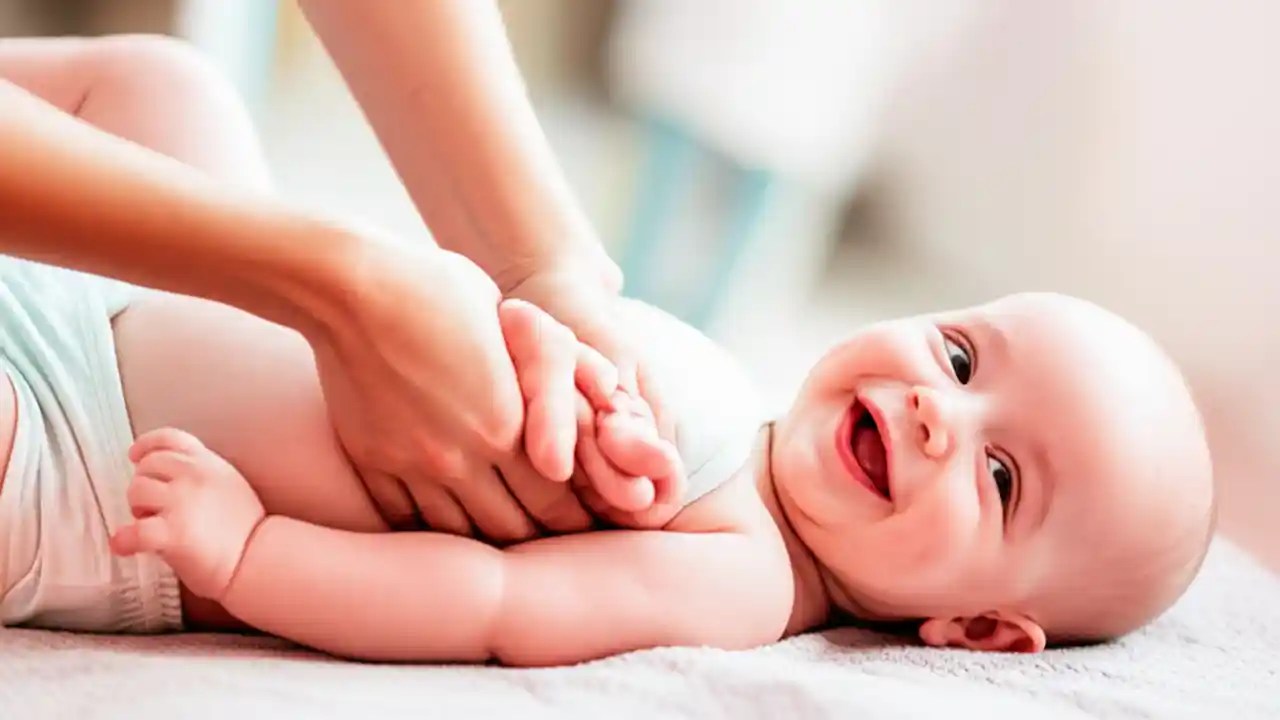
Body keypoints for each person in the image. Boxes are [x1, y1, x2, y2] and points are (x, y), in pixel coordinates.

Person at [0, 36, 1215, 664]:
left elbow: (488, 604)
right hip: (147, 295)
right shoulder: (732, 403)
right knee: (166, 85)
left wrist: (248, 550)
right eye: (957, 359)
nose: (938, 415)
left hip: (94, 469)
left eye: (998, 477)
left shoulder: (742, 579)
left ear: (981, 630)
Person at [0, 5, 674, 547]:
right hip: (52, 442)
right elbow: (500, 608)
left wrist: (541, 266)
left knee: (166, 88)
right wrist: (341, 287)